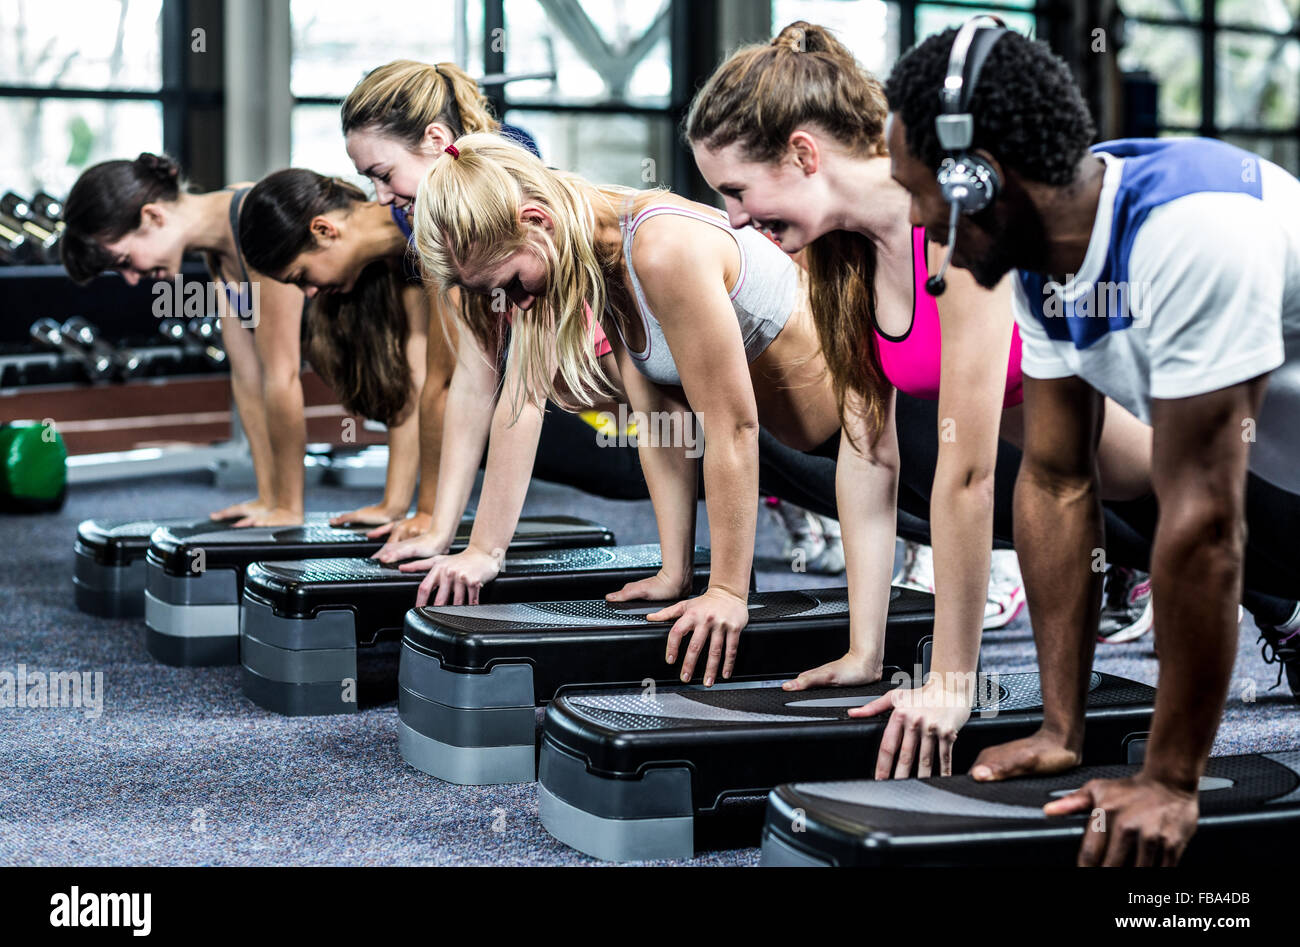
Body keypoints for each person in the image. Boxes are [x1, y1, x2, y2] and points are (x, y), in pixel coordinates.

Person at [686, 21, 1157, 775]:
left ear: (804, 155)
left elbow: (967, 473)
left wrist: (951, 682)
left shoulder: (952, 226)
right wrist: (864, 649)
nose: (735, 217)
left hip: (1160, 483)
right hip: (1063, 497)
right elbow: (868, 454)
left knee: (1264, 565)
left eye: (736, 191)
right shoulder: (841, 256)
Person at [884, 18, 1300, 864]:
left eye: (921, 196)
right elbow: (1057, 479)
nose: (923, 230)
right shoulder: (1045, 252)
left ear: (978, 177)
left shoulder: (1195, 228)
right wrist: (1059, 729)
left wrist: (1171, 780)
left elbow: (1204, 525)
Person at [410, 132, 859, 686]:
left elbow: (732, 428)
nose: (518, 302)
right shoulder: (597, 257)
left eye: (514, 284)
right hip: (808, 454)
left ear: (536, 221)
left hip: (858, 441)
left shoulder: (659, 248)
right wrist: (675, 572)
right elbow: (659, 422)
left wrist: (726, 591)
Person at [60, 153, 309, 527]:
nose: (132, 278)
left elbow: (282, 374)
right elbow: (246, 376)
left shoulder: (255, 219)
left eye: (125, 261)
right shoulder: (218, 247)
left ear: (153, 217)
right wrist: (267, 499)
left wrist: (289, 510)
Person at [236, 168, 442, 528]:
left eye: (302, 278)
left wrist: (427, 515)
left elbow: (446, 380)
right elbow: (416, 377)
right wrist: (393, 506)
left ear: (324, 230)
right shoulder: (401, 257)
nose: (310, 293)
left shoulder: (434, 221)